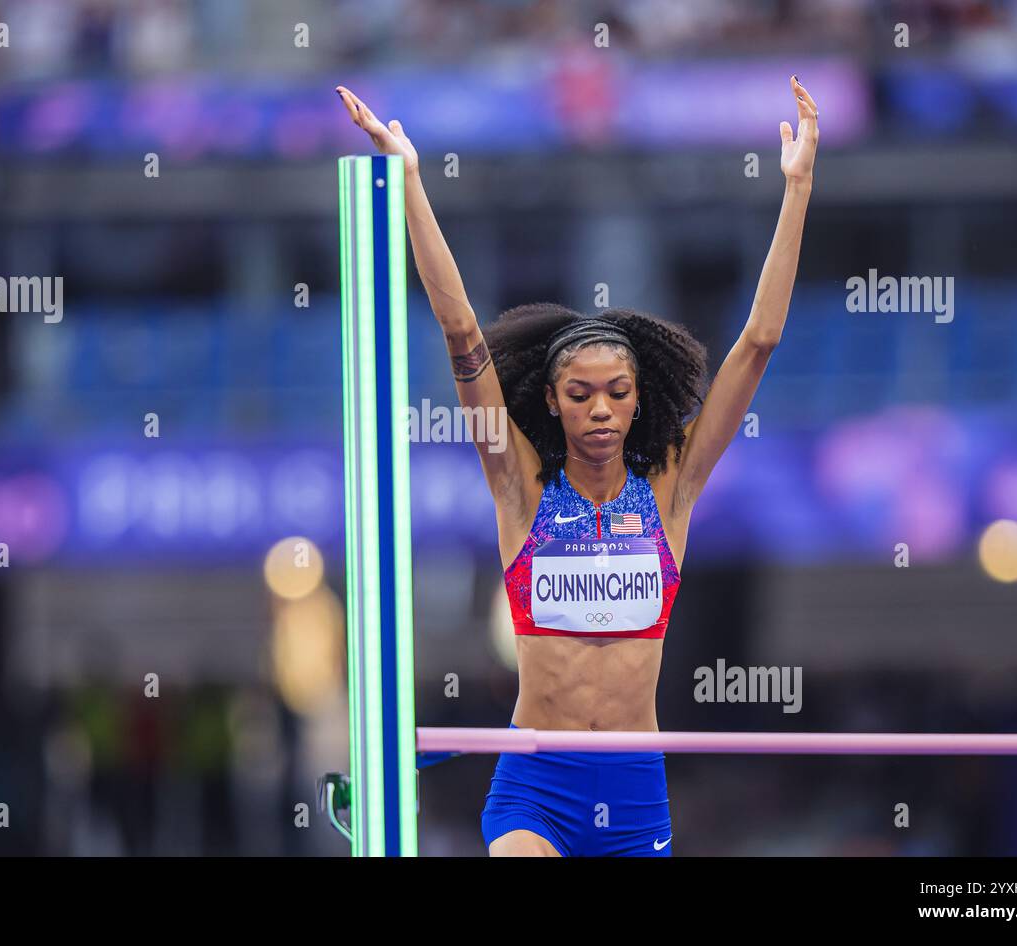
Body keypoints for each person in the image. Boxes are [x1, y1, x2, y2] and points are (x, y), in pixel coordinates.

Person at [336, 76, 819, 856]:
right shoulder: (519, 487)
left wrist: (796, 190)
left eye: (616, 393)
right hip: (537, 783)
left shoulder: (672, 486)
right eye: (580, 394)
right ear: (552, 405)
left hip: (633, 790)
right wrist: (412, 184)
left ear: (638, 403)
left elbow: (757, 341)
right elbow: (461, 330)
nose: (599, 408)